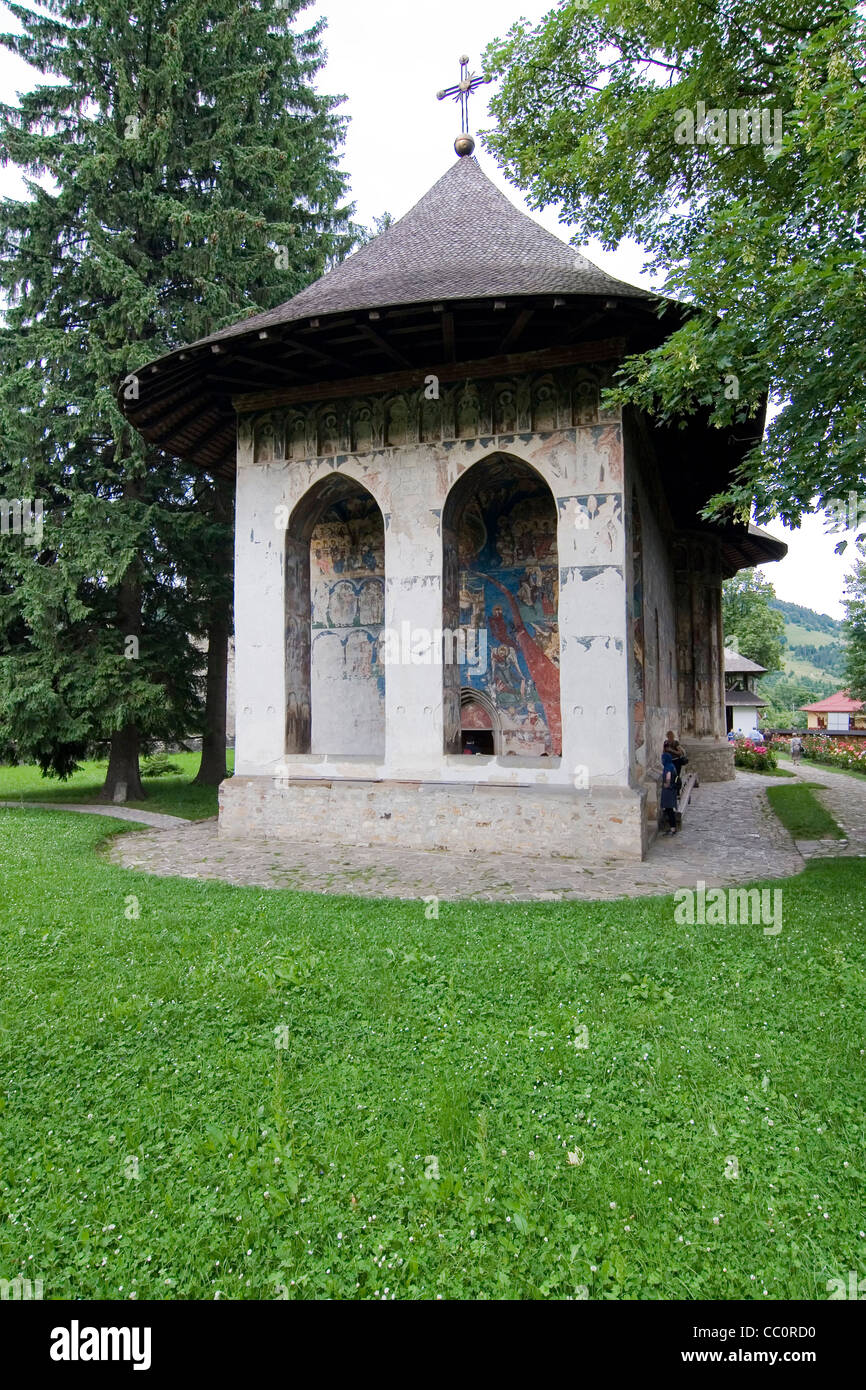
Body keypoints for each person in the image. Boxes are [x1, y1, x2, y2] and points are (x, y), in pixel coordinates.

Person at [660, 750, 679, 835]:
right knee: (669, 809)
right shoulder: (672, 765)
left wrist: (666, 784)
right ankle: (672, 828)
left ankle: (673, 828)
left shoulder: (668, 767)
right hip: (672, 791)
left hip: (669, 791)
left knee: (669, 810)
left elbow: (668, 777)